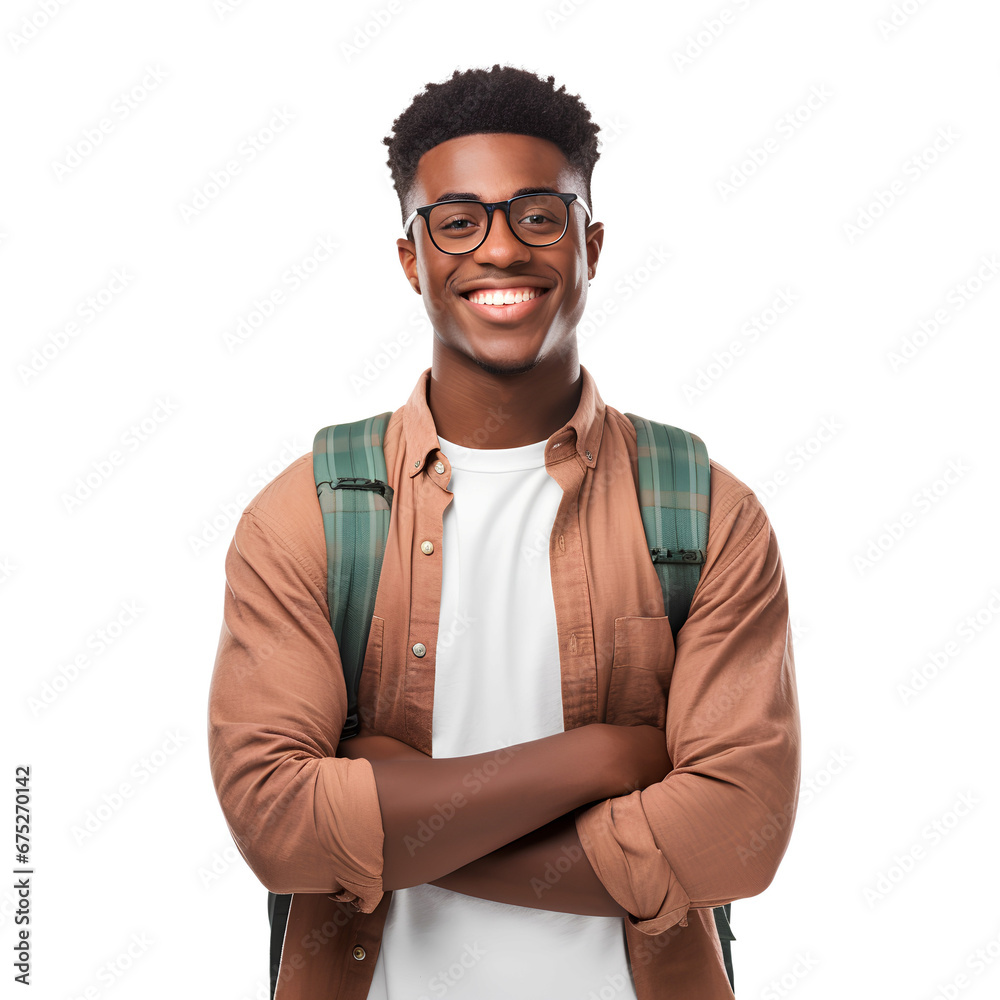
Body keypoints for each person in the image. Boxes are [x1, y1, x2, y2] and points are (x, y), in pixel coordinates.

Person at [207, 63, 801, 1000]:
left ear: (590, 243)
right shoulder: (307, 515)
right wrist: (602, 758)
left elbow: (736, 837)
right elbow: (275, 828)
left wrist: (400, 828)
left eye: (537, 214)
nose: (500, 250)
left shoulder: (704, 510)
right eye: (456, 220)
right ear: (412, 258)